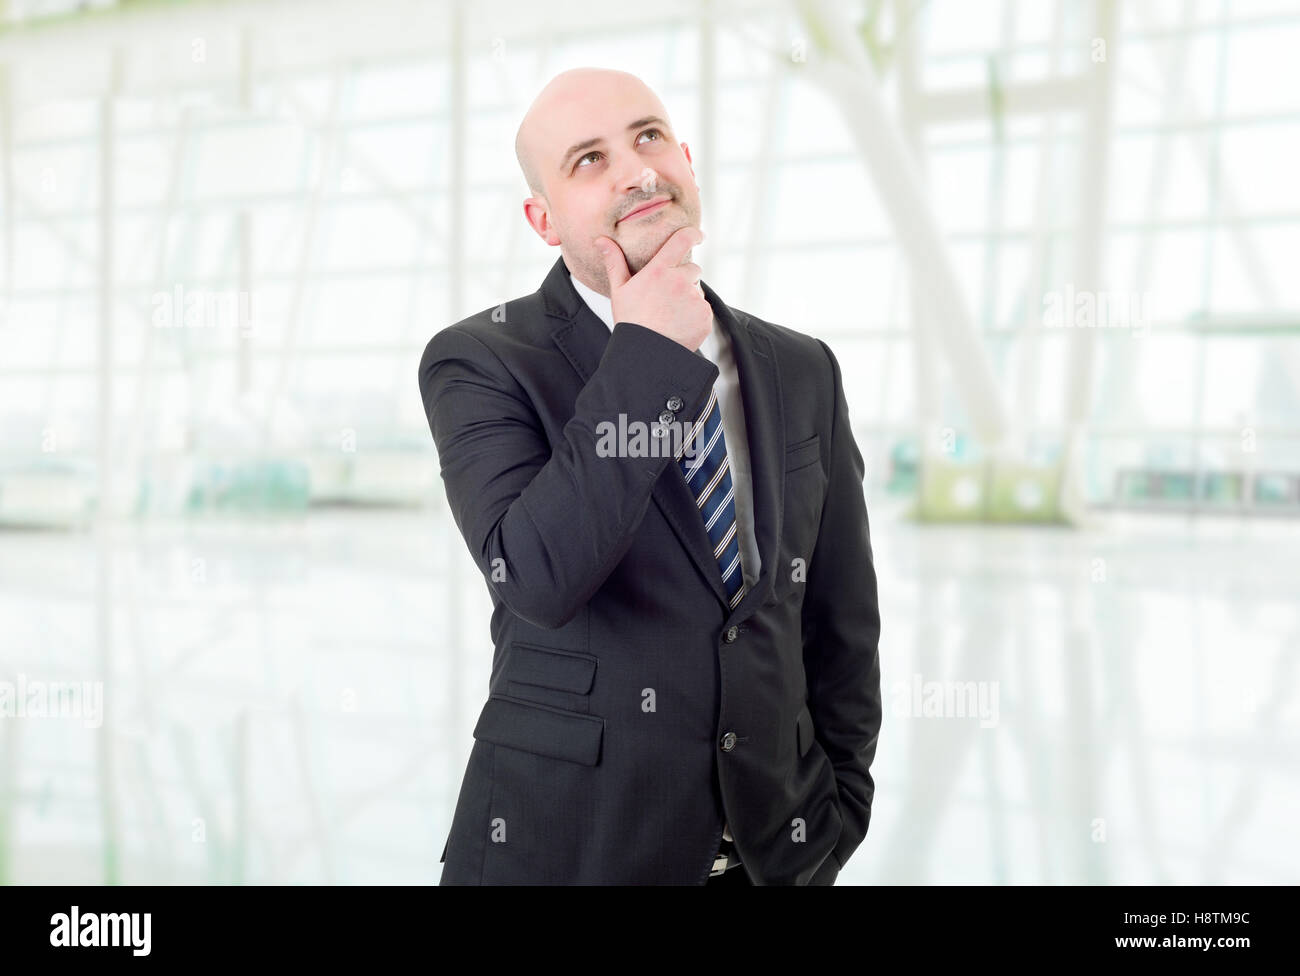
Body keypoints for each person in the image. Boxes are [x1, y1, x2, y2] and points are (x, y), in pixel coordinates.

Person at [417, 67, 881, 885]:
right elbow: (537, 576)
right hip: (568, 854)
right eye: (588, 160)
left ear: (687, 161)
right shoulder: (480, 360)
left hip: (775, 856)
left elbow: (840, 620)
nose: (635, 169)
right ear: (543, 219)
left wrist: (837, 811)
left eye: (649, 136)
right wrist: (650, 356)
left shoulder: (803, 368)